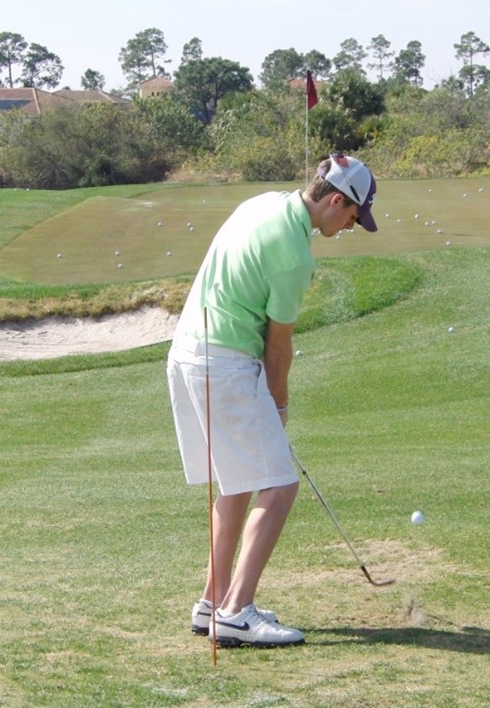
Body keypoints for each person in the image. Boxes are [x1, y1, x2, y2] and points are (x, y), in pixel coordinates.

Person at [167, 153, 378, 648]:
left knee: (239, 483)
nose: (351, 225)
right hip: (223, 363)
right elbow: (277, 346)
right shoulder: (294, 254)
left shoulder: (260, 203)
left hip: (186, 354)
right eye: (353, 215)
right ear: (334, 200)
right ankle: (236, 611)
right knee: (279, 486)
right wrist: (278, 408)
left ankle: (211, 603)